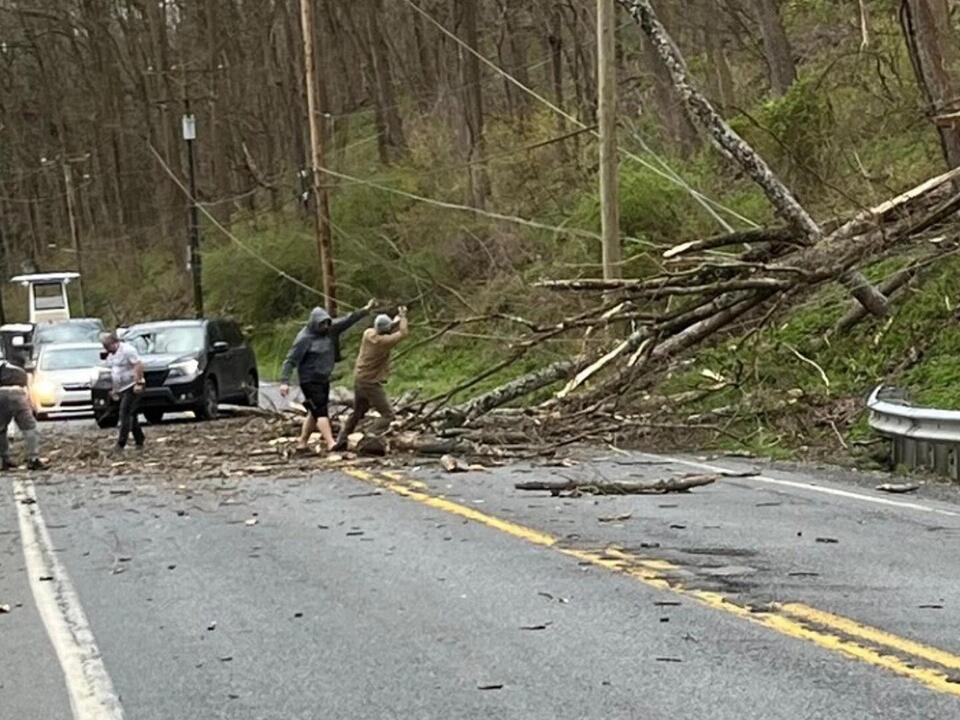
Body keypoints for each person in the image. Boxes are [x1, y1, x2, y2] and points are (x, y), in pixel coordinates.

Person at [280, 300, 374, 452]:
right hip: (309, 380)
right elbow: (290, 360)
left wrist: (365, 310)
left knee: (314, 411)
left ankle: (302, 442)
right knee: (321, 411)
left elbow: (348, 320)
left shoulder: (331, 330)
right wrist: (285, 381)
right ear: (314, 324)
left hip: (323, 378)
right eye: (321, 324)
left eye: (326, 323)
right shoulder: (304, 339)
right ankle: (331, 443)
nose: (325, 327)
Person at [332, 306, 408, 451]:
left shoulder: (368, 334)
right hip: (371, 383)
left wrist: (396, 319)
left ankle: (341, 439)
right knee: (388, 414)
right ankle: (370, 437)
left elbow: (387, 328)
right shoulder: (384, 342)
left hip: (359, 378)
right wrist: (403, 316)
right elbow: (403, 333)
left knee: (358, 412)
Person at [101, 331, 146, 452]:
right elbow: (115, 371)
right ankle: (140, 439)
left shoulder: (127, 350)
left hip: (132, 386)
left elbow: (139, 365)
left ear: (115, 343)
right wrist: (115, 390)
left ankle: (121, 443)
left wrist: (138, 382)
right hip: (122, 387)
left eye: (108, 346)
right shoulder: (111, 354)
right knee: (131, 414)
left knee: (124, 413)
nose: (107, 349)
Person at [0, 358, 43, 470]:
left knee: (1, 429)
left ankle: (4, 459)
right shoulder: (18, 371)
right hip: (17, 393)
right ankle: (33, 459)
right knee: (29, 427)